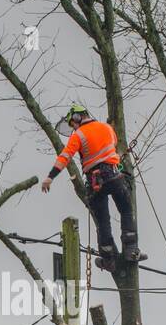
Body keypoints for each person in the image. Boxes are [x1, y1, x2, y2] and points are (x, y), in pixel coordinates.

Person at [41, 103, 140, 269]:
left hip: (96, 182)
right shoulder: (107, 128)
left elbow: (65, 157)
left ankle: (108, 259)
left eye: (72, 123)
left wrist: (50, 177)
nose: (73, 127)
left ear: (77, 117)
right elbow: (112, 145)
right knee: (126, 210)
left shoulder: (78, 135)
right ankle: (131, 250)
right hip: (115, 176)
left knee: (103, 221)